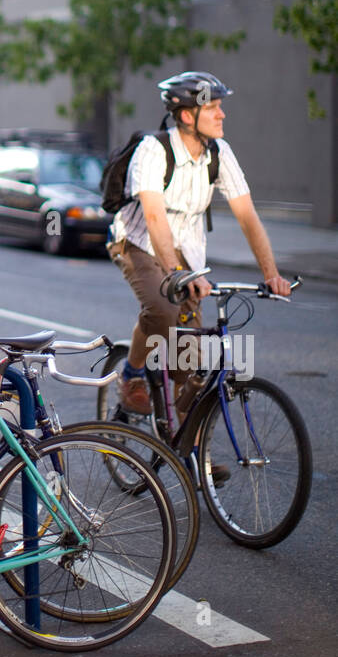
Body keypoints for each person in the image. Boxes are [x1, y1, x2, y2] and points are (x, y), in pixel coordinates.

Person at [107, 71, 291, 422]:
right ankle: (131, 376)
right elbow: (155, 218)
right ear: (188, 115)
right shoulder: (153, 150)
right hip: (137, 243)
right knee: (162, 310)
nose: (222, 114)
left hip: (188, 256)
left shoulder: (219, 152)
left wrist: (272, 275)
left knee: (187, 358)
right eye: (214, 108)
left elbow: (248, 217)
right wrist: (177, 274)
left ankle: (189, 453)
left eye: (222, 107)